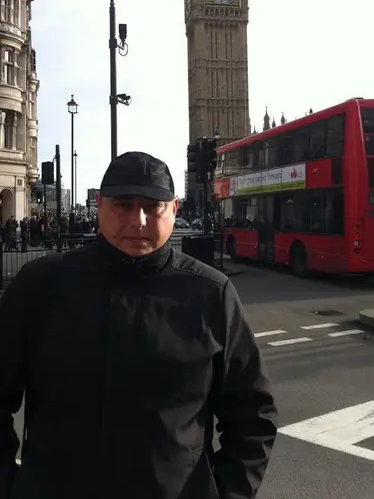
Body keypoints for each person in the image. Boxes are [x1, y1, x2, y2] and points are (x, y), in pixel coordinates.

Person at [0, 151, 277, 499]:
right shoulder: (41, 285)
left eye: (152, 206)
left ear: (173, 209)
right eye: (123, 205)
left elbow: (253, 414)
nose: (138, 220)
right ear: (100, 206)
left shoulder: (211, 293)